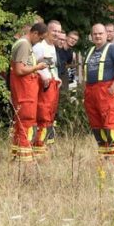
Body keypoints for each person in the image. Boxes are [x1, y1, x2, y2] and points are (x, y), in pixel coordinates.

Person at [83, 24, 114, 164]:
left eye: (100, 33)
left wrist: (113, 87)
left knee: (111, 123)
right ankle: (104, 156)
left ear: (106, 35)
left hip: (106, 90)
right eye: (95, 34)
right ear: (91, 35)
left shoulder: (113, 49)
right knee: (97, 125)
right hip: (91, 91)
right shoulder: (90, 50)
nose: (97, 36)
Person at [8, 22, 48, 163]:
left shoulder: (24, 44)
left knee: (22, 122)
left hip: (25, 91)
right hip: (24, 92)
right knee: (26, 121)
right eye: (41, 38)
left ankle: (18, 156)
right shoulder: (24, 44)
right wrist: (37, 67)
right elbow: (20, 70)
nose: (41, 41)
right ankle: (25, 160)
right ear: (35, 33)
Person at [32, 19, 63, 158]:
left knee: (50, 116)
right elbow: (32, 66)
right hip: (43, 87)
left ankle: (46, 146)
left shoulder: (53, 47)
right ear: (47, 31)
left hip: (53, 85)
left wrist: (56, 78)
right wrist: (43, 76)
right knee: (43, 116)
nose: (56, 34)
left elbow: (51, 67)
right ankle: (38, 147)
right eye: (54, 31)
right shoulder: (40, 46)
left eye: (58, 31)